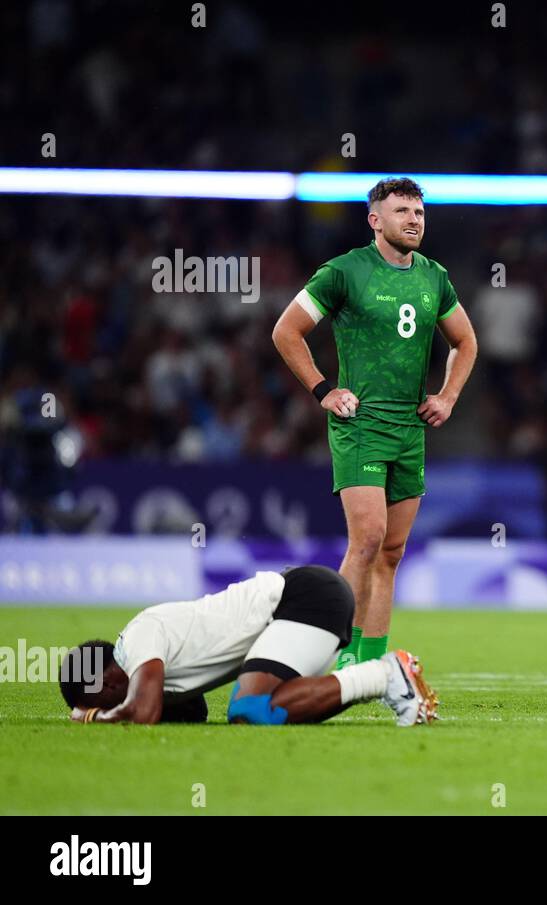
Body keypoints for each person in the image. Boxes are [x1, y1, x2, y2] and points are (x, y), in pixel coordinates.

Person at [272, 177, 478, 668]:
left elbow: (465, 342)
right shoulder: (345, 272)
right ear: (375, 221)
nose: (414, 220)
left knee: (391, 552)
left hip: (410, 428)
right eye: (403, 211)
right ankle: (333, 655)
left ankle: (370, 665)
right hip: (360, 423)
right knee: (365, 541)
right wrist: (324, 390)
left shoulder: (434, 277)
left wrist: (447, 397)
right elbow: (286, 330)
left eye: (419, 213)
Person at [59, 565, 437, 725]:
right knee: (266, 706)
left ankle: (386, 674)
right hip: (303, 609)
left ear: (107, 683)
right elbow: (194, 712)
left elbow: (141, 713)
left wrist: (91, 717)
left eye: (102, 702)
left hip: (303, 599)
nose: (113, 708)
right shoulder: (149, 663)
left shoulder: (136, 640)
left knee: (249, 708)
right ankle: (385, 679)